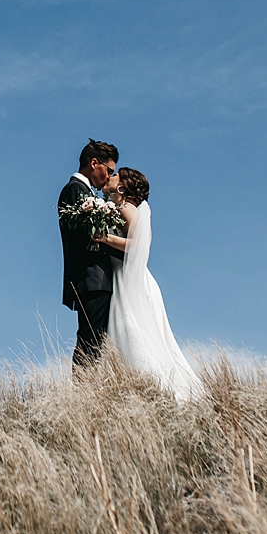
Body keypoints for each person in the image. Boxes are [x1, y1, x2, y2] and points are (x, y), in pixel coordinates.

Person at [105, 168, 204, 400]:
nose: (109, 176)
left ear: (122, 187)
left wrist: (105, 238)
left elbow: (137, 244)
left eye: (115, 175)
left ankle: (155, 386)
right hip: (127, 277)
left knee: (131, 328)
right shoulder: (120, 207)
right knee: (132, 329)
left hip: (129, 278)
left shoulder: (125, 207)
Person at [59, 139, 121, 371]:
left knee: (96, 340)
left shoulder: (84, 192)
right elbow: (85, 236)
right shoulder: (74, 190)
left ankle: (88, 385)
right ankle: (82, 387)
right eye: (109, 170)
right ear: (95, 163)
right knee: (90, 341)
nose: (109, 177)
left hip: (95, 279)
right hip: (92, 278)